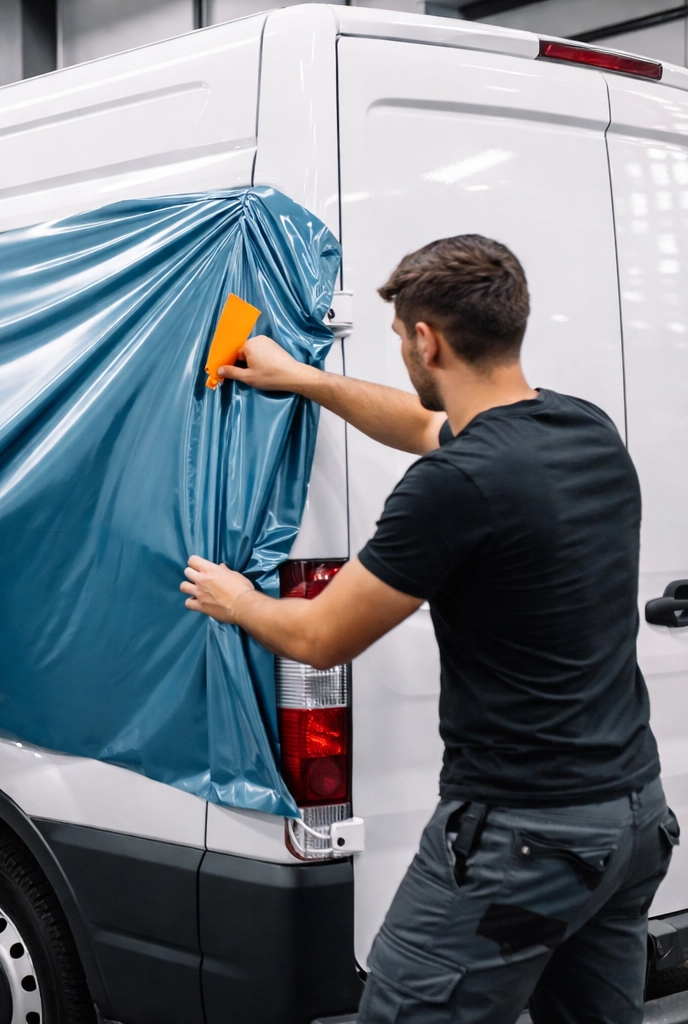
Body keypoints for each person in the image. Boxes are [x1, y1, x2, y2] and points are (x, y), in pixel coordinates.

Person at [181, 235, 676, 1023]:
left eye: (398, 339)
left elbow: (319, 638)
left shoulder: (453, 488)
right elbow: (421, 424)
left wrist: (234, 598)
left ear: (425, 339)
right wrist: (306, 380)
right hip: (631, 822)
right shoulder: (585, 430)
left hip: (523, 840)